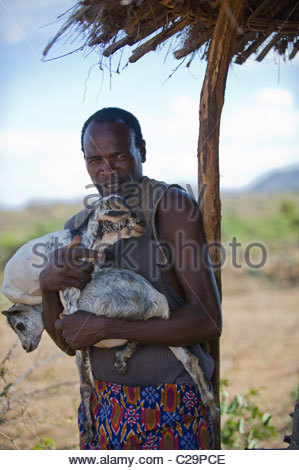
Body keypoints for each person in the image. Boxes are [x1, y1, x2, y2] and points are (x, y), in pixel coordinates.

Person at [39, 107, 222, 450]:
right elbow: (68, 342)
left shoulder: (169, 207)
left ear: (143, 151)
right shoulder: (78, 227)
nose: (106, 171)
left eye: (119, 156)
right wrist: (48, 285)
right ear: (84, 161)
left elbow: (208, 320)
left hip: (171, 402)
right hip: (102, 408)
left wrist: (110, 329)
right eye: (95, 160)